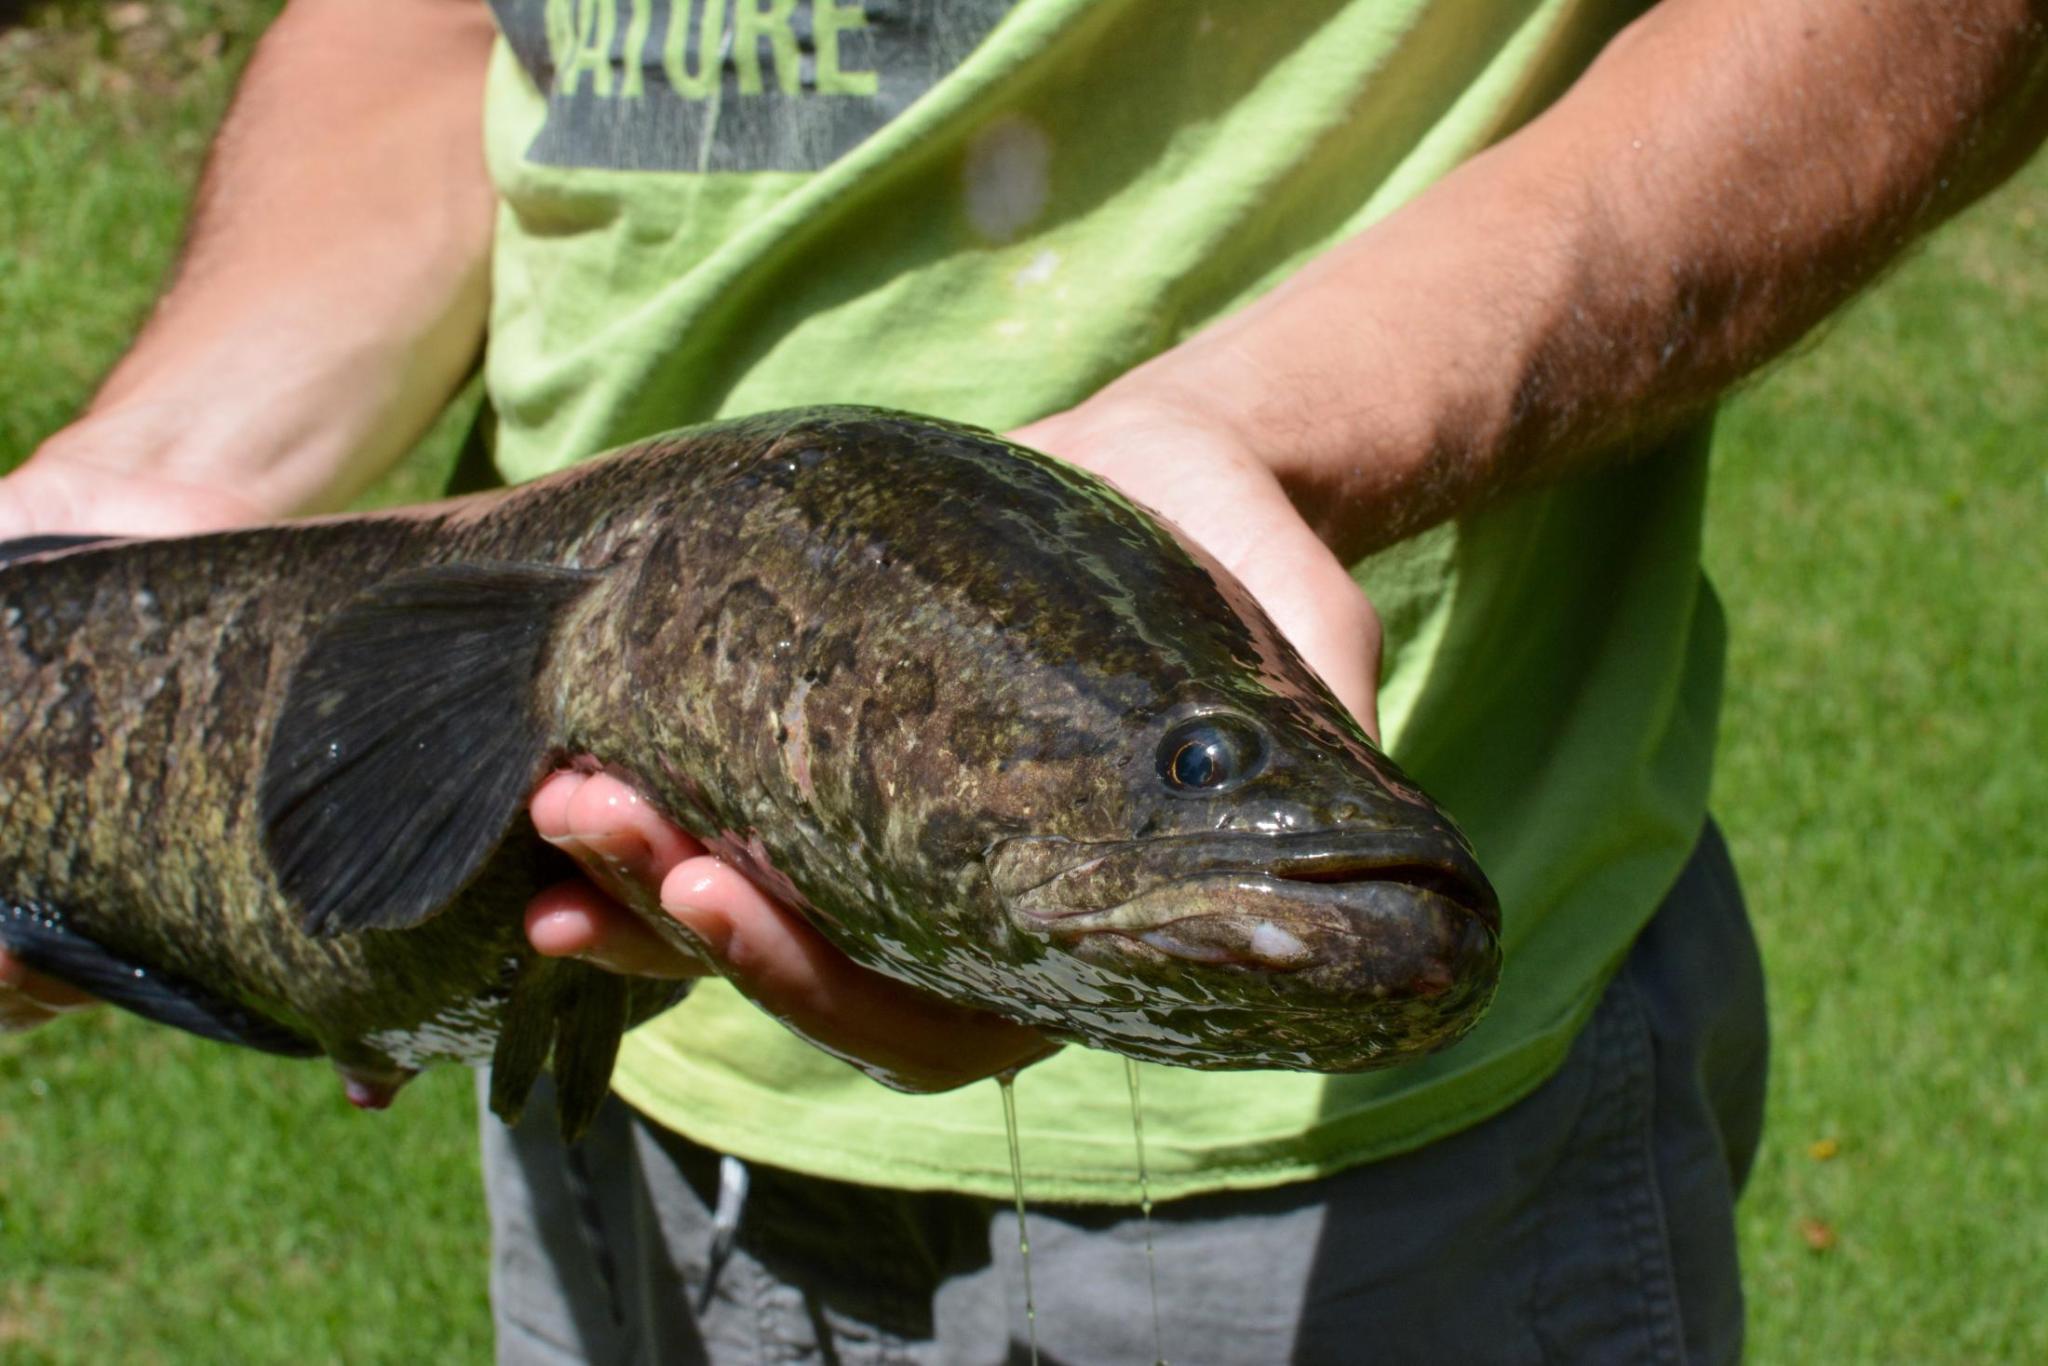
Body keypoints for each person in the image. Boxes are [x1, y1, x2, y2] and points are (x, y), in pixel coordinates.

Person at [3, 0, 2044, 1359]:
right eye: (1200, 762)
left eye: (1203, 760)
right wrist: (161, 478)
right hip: (595, 1063)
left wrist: (1264, 440)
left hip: (1344, 1195)